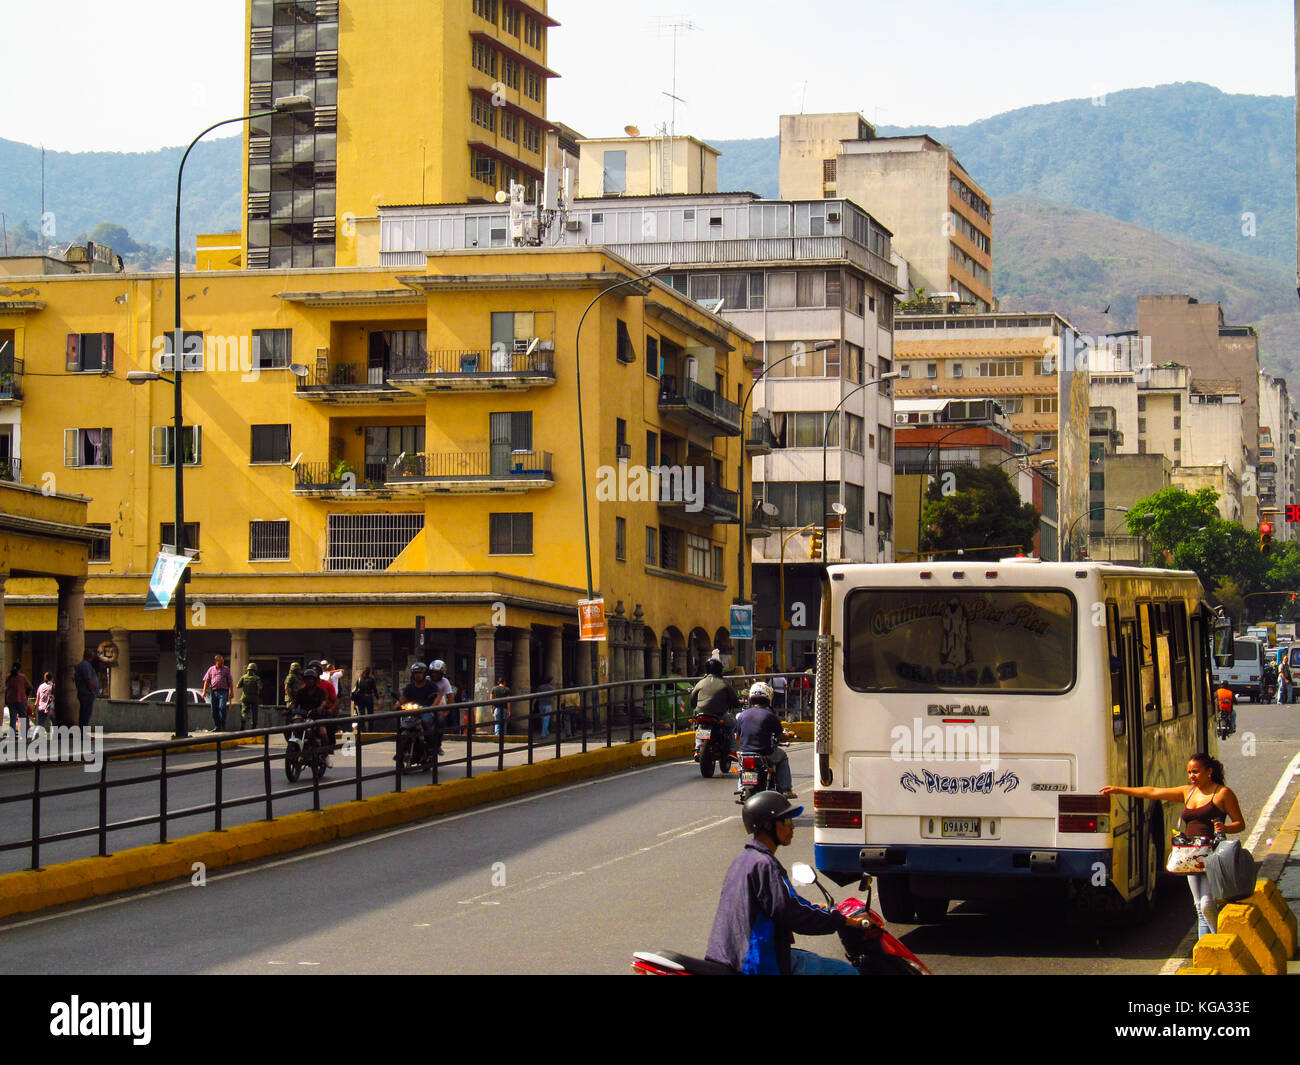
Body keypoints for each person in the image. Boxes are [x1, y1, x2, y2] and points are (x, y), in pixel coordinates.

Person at [705, 791, 865, 975]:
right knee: (845, 972)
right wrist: (844, 921)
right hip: (755, 960)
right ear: (768, 825)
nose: (793, 827)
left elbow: (781, 904)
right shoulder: (765, 865)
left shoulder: (744, 861)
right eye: (787, 821)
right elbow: (792, 913)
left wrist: (817, 908)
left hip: (729, 955)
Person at [1101, 753, 1246, 939]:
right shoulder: (1188, 792)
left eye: (1196, 772)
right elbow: (1153, 792)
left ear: (1209, 772)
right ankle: (1205, 947)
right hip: (1190, 856)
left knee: (1207, 904)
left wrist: (1225, 827)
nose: (1192, 776)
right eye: (1189, 772)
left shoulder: (1223, 794)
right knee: (1198, 907)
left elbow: (1240, 823)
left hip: (1213, 855)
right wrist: (1120, 790)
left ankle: (1221, 941)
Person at [736, 681, 797, 798]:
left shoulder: (742, 715)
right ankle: (786, 789)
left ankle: (741, 787)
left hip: (745, 753)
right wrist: (787, 735)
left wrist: (745, 746)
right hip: (764, 752)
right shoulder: (770, 715)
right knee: (782, 757)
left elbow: (736, 737)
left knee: (743, 763)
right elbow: (780, 736)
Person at [688, 651, 741, 760]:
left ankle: (698, 748)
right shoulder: (724, 683)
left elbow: (692, 699)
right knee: (733, 725)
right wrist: (737, 704)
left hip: (701, 714)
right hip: (719, 715)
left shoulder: (700, 683)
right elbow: (734, 701)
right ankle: (732, 750)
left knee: (700, 727)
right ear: (720, 669)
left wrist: (695, 707)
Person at [289, 667, 338, 765]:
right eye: (307, 678)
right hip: (303, 716)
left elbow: (324, 701)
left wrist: (321, 708)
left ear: (315, 680)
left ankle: (325, 755)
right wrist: (289, 709)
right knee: (290, 728)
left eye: (311, 678)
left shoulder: (321, 691)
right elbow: (294, 703)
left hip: (317, 716)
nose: (309, 681)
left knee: (323, 732)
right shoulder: (301, 691)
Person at [400, 662, 447, 757]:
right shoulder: (410, 686)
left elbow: (438, 696)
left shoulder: (431, 685)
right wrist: (397, 704)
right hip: (412, 712)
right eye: (415, 673)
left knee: (427, 725)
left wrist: (431, 707)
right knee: (401, 727)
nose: (417, 675)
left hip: (426, 712)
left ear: (424, 674)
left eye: (420, 673)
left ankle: (431, 748)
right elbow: (403, 698)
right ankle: (400, 752)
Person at [200, 654, 234, 731]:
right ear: (216, 661)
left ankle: (223, 724)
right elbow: (206, 681)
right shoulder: (211, 669)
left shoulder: (226, 669)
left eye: (223, 662)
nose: (222, 663)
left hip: (223, 691)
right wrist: (204, 692)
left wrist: (231, 692)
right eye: (221, 662)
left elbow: (230, 681)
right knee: (214, 710)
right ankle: (217, 726)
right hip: (214, 691)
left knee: (222, 707)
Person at [5, 663, 32, 737]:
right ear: (20, 669)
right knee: (23, 717)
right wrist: (26, 694)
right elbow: (30, 686)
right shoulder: (22, 677)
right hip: (21, 699)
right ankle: (23, 736)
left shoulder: (8, 677)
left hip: (10, 700)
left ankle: (12, 736)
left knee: (13, 719)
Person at [74, 649, 98, 729]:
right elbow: (88, 679)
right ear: (90, 656)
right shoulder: (86, 665)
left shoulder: (83, 665)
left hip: (84, 692)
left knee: (84, 714)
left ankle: (83, 733)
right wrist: (92, 691)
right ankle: (83, 734)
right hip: (87, 693)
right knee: (85, 714)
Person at [238, 661, 262, 731]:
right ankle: (253, 727)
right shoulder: (257, 678)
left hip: (245, 697)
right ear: (255, 670)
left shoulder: (243, 677)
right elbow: (260, 687)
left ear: (248, 669)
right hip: (254, 698)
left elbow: (237, 686)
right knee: (254, 712)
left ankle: (242, 725)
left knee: (244, 712)